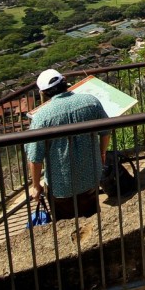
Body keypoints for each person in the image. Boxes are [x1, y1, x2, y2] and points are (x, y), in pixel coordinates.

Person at [26, 69, 109, 220]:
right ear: (64, 81)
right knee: (93, 218)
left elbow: (35, 157)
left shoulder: (41, 118)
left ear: (43, 92)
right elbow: (105, 132)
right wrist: (102, 153)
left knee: (66, 226)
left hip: (61, 185)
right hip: (91, 175)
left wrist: (36, 185)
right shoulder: (91, 102)